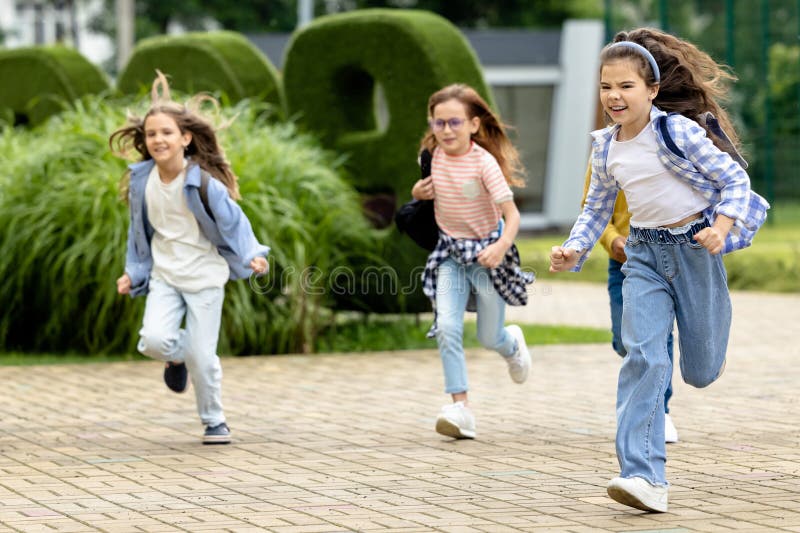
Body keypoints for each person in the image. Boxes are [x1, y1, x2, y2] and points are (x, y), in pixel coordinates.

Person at [549, 29, 768, 512]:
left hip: (694, 250)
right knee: (643, 357)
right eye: (606, 86)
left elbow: (735, 179)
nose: (614, 96)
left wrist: (721, 227)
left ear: (652, 90)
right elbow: (595, 208)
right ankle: (643, 476)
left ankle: (707, 353)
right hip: (643, 256)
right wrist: (574, 249)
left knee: (701, 370)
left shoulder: (678, 132)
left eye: (626, 86)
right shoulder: (605, 147)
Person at [111, 71, 270, 445]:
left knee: (203, 357)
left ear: (185, 138)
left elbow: (234, 221)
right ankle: (179, 356)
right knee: (152, 341)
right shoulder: (142, 181)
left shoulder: (202, 182)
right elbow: (138, 233)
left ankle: (214, 420)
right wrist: (134, 273)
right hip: (165, 276)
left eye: (166, 132)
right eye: (151, 134)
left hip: (205, 278)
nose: (158, 139)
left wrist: (252, 254)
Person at [412, 84, 535, 440]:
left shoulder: (484, 163)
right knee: (447, 327)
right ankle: (460, 409)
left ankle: (512, 345)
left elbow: (512, 215)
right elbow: (427, 196)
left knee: (488, 336)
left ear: (474, 124)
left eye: (455, 122)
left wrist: (501, 246)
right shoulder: (430, 156)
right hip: (450, 256)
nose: (446, 130)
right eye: (439, 123)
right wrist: (417, 193)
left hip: (487, 257)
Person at [581, 167, 678, 444]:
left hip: (662, 257)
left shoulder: (666, 146)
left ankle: (659, 411)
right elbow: (592, 207)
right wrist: (612, 240)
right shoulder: (604, 153)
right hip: (622, 262)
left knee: (657, 335)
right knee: (625, 342)